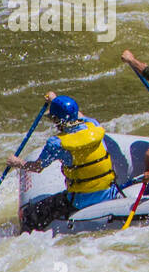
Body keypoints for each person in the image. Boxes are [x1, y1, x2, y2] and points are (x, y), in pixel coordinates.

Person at [10, 93, 122, 231]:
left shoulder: (56, 143)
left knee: (29, 215)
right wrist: (55, 100)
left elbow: (37, 167)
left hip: (80, 201)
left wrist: (18, 163)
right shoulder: (93, 125)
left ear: (56, 120)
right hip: (108, 193)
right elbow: (79, 116)